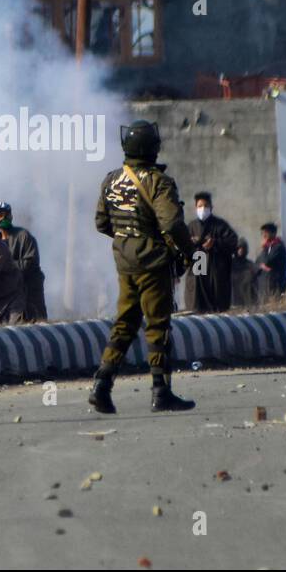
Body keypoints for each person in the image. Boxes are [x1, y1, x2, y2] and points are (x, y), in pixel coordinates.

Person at [90, 120, 198, 413]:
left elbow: (102, 223)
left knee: (124, 322)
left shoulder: (110, 179)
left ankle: (102, 384)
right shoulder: (158, 182)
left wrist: (128, 239)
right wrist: (188, 252)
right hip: (153, 263)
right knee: (158, 325)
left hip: (124, 262)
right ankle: (161, 391)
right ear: (152, 148)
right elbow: (172, 223)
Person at [184, 191, 239, 313]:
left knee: (216, 306)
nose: (203, 209)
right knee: (198, 302)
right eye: (200, 206)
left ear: (211, 207)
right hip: (199, 266)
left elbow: (233, 242)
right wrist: (192, 243)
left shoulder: (220, 225)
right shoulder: (191, 227)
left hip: (216, 270)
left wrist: (215, 243)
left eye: (206, 206)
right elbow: (183, 249)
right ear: (195, 208)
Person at [0, 202, 47, 321]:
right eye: (0, 215)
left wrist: (5, 268)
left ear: (11, 217)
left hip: (30, 291)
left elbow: (30, 263)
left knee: (36, 325)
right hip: (7, 294)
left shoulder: (23, 236)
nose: (4, 218)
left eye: (7, 214)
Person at [255, 223, 286, 299]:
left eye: (265, 233)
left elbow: (267, 261)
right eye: (262, 233)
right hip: (264, 285)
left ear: (273, 233)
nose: (263, 235)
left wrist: (264, 248)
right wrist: (261, 266)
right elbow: (257, 262)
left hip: (275, 285)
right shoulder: (268, 246)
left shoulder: (278, 246)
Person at [230, 238, 257, 307]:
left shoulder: (250, 265)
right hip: (233, 300)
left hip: (246, 301)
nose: (241, 250)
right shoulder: (229, 264)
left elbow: (255, 284)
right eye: (239, 248)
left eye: (243, 248)